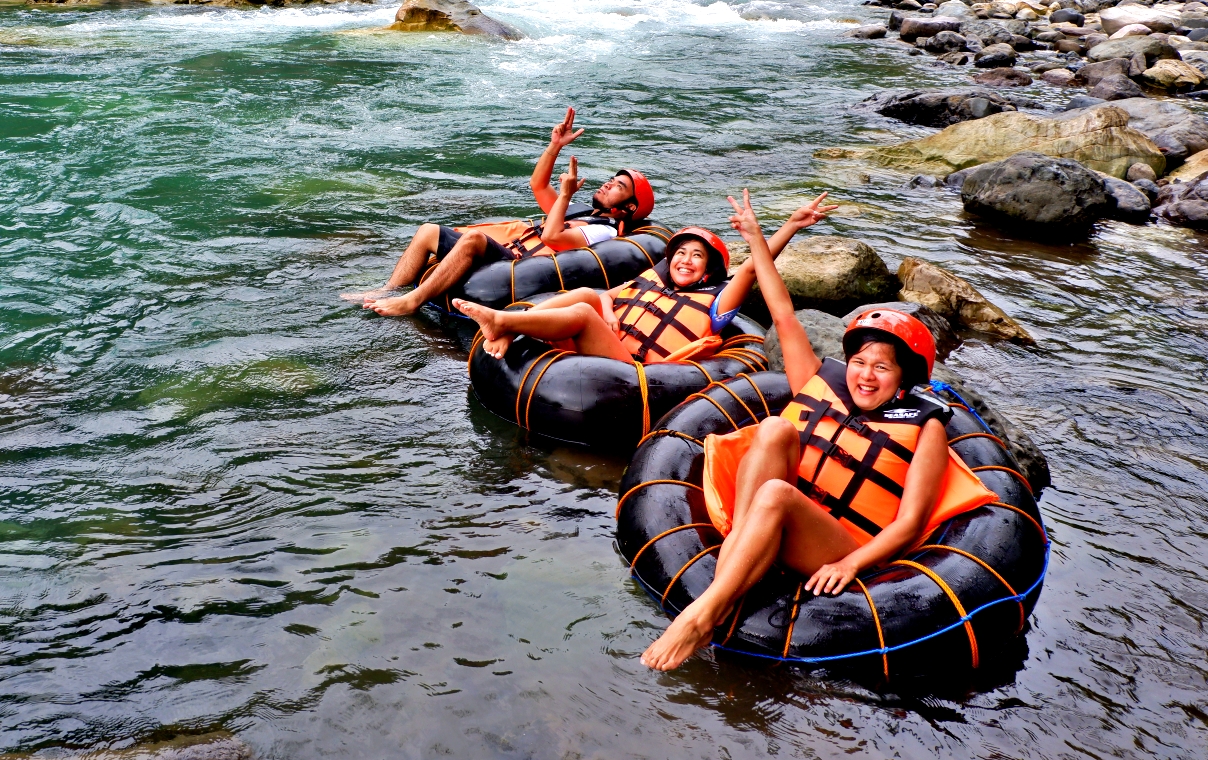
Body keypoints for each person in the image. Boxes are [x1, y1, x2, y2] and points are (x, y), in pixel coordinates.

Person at [638, 189, 994, 672]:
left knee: (776, 494)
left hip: (841, 543)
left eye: (882, 368)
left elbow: (910, 522)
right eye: (860, 362)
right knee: (773, 430)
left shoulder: (924, 426)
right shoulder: (821, 382)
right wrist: (758, 236)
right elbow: (782, 312)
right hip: (778, 520)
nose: (865, 376)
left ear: (904, 377)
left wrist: (850, 563)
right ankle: (738, 562)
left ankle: (703, 616)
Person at [454, 192, 837, 364]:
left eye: (697, 256)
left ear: (709, 270)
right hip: (607, 345)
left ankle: (503, 321)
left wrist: (790, 225)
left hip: (631, 370)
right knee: (586, 295)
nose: (685, 260)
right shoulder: (654, 279)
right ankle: (507, 328)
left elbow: (753, 267)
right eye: (680, 253)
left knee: (584, 313)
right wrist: (607, 309)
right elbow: (603, 294)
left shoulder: (717, 301)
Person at [350, 108, 654, 317]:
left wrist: (564, 195)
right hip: (512, 254)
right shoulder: (582, 212)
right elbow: (538, 185)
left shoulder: (605, 231)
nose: (608, 184)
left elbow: (553, 237)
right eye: (611, 179)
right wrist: (554, 146)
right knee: (429, 230)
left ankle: (411, 301)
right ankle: (388, 290)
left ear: (628, 207)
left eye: (619, 186)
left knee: (474, 239)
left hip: (517, 270)